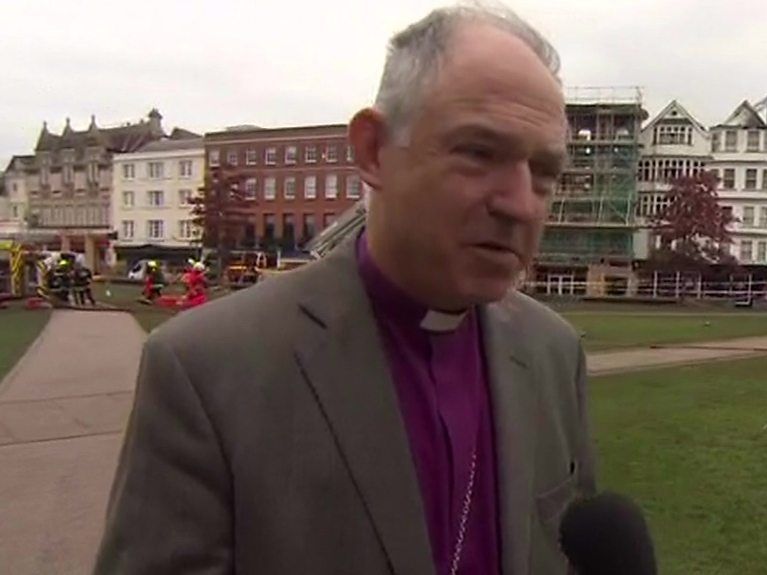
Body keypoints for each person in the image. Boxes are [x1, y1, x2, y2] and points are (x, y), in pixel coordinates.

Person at [95, 4, 594, 575]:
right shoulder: (205, 369)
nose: (521, 203)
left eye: (545, 173)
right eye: (479, 153)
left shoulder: (554, 353)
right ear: (373, 151)